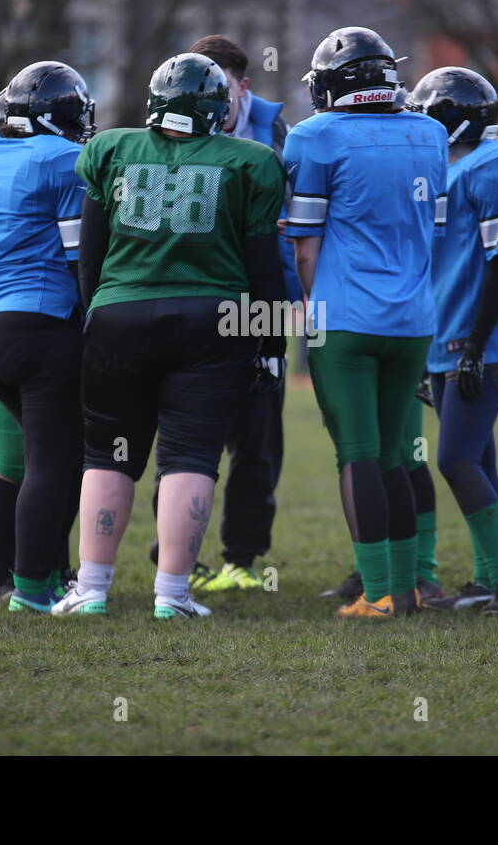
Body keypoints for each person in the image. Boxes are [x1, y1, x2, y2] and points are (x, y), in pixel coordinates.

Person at [54, 52, 287, 620]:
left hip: (120, 318)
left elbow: (91, 252)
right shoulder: (252, 162)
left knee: (106, 457)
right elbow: (265, 271)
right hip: (213, 324)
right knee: (190, 458)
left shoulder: (111, 150)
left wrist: (96, 314)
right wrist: (273, 345)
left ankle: (91, 589)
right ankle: (172, 596)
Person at [284, 26, 448, 618]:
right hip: (413, 319)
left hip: (347, 318)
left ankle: (378, 595)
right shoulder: (430, 133)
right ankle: (405, 586)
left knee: (357, 454)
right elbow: (435, 226)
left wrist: (313, 303)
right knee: (395, 455)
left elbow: (305, 248)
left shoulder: (314, 136)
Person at [146, 34, 295, 594]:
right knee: (184, 439)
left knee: (257, 442)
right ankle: (174, 556)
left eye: (221, 90)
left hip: (258, 303)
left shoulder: (277, 137)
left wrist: (279, 320)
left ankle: (241, 558)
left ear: (242, 88)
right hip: (189, 306)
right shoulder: (173, 126)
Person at [0, 61, 95, 614]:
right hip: (38, 326)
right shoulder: (63, 161)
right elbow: (78, 255)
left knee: (24, 459)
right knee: (52, 460)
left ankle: (13, 579)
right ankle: (35, 588)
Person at [404, 66, 498, 616]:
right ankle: (488, 579)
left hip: (480, 337)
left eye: (429, 113)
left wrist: (478, 344)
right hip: (447, 335)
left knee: (456, 458)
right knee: (478, 457)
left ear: (455, 118)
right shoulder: (454, 168)